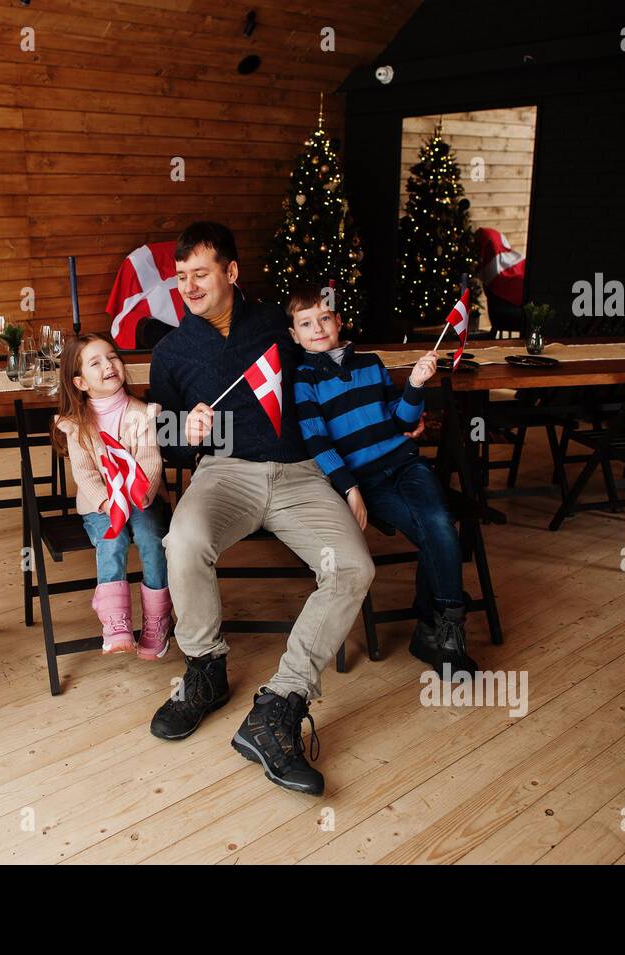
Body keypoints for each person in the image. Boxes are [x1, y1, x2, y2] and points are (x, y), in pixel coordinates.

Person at [146, 221, 375, 797]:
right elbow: (168, 442)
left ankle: (281, 702)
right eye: (181, 278)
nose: (190, 287)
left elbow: (335, 361)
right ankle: (205, 668)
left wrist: (397, 412)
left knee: (354, 567)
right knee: (184, 539)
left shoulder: (278, 321)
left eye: (201, 273)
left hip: (300, 473)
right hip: (223, 473)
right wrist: (185, 430)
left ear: (232, 271)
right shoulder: (172, 351)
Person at [287, 285, 477, 678]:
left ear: (338, 321)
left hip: (405, 464)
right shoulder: (303, 380)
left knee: (439, 524)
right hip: (365, 481)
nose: (318, 327)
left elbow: (403, 421)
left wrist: (416, 386)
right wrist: (350, 489)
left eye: (324, 317)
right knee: (437, 531)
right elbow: (317, 440)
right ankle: (437, 631)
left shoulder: (371, 363)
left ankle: (442, 626)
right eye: (306, 323)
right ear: (295, 335)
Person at [52, 333, 171, 659]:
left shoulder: (141, 414)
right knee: (112, 538)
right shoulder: (77, 425)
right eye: (96, 363)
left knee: (150, 537)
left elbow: (149, 459)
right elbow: (85, 472)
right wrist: (107, 502)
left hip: (139, 498)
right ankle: (115, 621)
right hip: (100, 504)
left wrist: (140, 496)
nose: (109, 365)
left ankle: (157, 619)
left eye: (113, 357)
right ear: (80, 382)